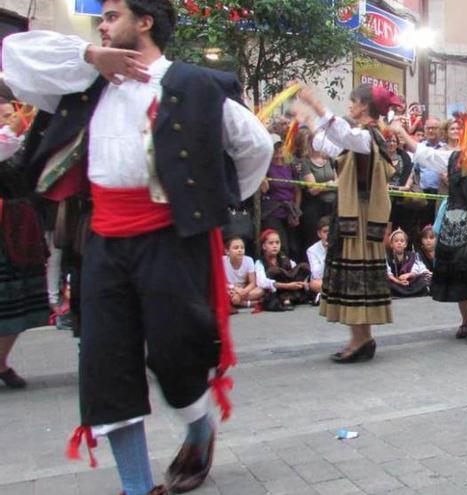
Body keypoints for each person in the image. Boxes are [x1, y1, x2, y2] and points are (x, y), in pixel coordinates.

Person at [1, 1, 274, 493]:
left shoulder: (195, 85)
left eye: (111, 15)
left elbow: (255, 146)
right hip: (103, 243)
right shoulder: (85, 82)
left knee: (177, 360)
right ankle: (136, 486)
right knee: (107, 369)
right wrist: (89, 54)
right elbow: (15, 55)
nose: (103, 25)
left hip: (171, 241)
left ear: (144, 22)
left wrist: (210, 201)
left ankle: (198, 429)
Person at [298, 82, 400, 363]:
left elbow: (342, 135)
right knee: (358, 279)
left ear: (364, 105)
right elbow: (330, 145)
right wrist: (310, 122)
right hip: (353, 215)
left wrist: (315, 104)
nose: (349, 105)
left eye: (353, 101)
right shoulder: (361, 137)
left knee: (357, 278)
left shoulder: (369, 137)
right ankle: (362, 338)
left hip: (361, 219)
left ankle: (360, 339)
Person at [395, 112, 467, 344]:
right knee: (459, 274)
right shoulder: (451, 156)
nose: (461, 132)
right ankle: (465, 320)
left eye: (466, 129)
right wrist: (401, 133)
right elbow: (425, 153)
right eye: (458, 128)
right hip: (454, 222)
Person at [0, 102, 50, 390]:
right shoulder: (9, 142)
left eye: (12, 114)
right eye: (5, 115)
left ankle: (1, 362)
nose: (13, 119)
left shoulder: (20, 145)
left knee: (18, 303)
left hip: (19, 228)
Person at [260, 132, 302, 260]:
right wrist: (262, 178)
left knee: (294, 246)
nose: (277, 150)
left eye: (279, 147)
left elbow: (297, 190)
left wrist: (296, 210)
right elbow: (264, 190)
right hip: (273, 210)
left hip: (289, 210)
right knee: (281, 245)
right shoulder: (265, 166)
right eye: (274, 147)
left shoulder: (290, 165)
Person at [299, 127, 338, 249]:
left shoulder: (330, 159)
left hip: (332, 205)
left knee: (333, 237)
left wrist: (325, 185)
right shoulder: (305, 161)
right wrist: (330, 184)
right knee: (313, 239)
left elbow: (339, 182)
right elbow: (313, 189)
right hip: (314, 207)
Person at [255, 229, 310, 310]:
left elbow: (295, 271)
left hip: (291, 287)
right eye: (271, 243)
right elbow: (262, 282)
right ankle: (286, 299)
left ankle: (291, 297)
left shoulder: (285, 259)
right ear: (264, 246)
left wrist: (302, 283)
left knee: (303, 266)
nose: (275, 246)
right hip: (276, 291)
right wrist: (288, 286)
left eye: (277, 243)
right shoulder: (259, 262)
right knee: (274, 271)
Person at [386, 228, 430, 298]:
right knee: (386, 282)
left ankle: (401, 293)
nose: (399, 243)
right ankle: (410, 293)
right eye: (396, 241)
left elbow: (415, 270)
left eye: (402, 241)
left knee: (422, 279)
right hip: (395, 282)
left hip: (409, 282)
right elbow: (388, 273)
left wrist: (408, 275)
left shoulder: (411, 255)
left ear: (405, 244)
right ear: (391, 244)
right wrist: (398, 282)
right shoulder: (388, 257)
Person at [223, 236, 263, 311]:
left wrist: (243, 292)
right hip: (230, 289)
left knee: (260, 290)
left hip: (244, 290)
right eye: (236, 248)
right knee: (222, 293)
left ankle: (237, 302)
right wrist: (234, 288)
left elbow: (253, 282)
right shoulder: (222, 261)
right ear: (227, 251)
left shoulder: (249, 260)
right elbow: (221, 282)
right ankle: (247, 303)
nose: (240, 250)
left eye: (242, 248)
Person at [306, 216, 331, 300]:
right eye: (325, 232)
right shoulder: (311, 250)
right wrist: (328, 253)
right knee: (313, 284)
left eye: (330, 232)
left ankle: (325, 295)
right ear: (319, 234)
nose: (328, 234)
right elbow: (316, 274)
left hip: (337, 279)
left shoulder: (340, 246)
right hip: (322, 280)